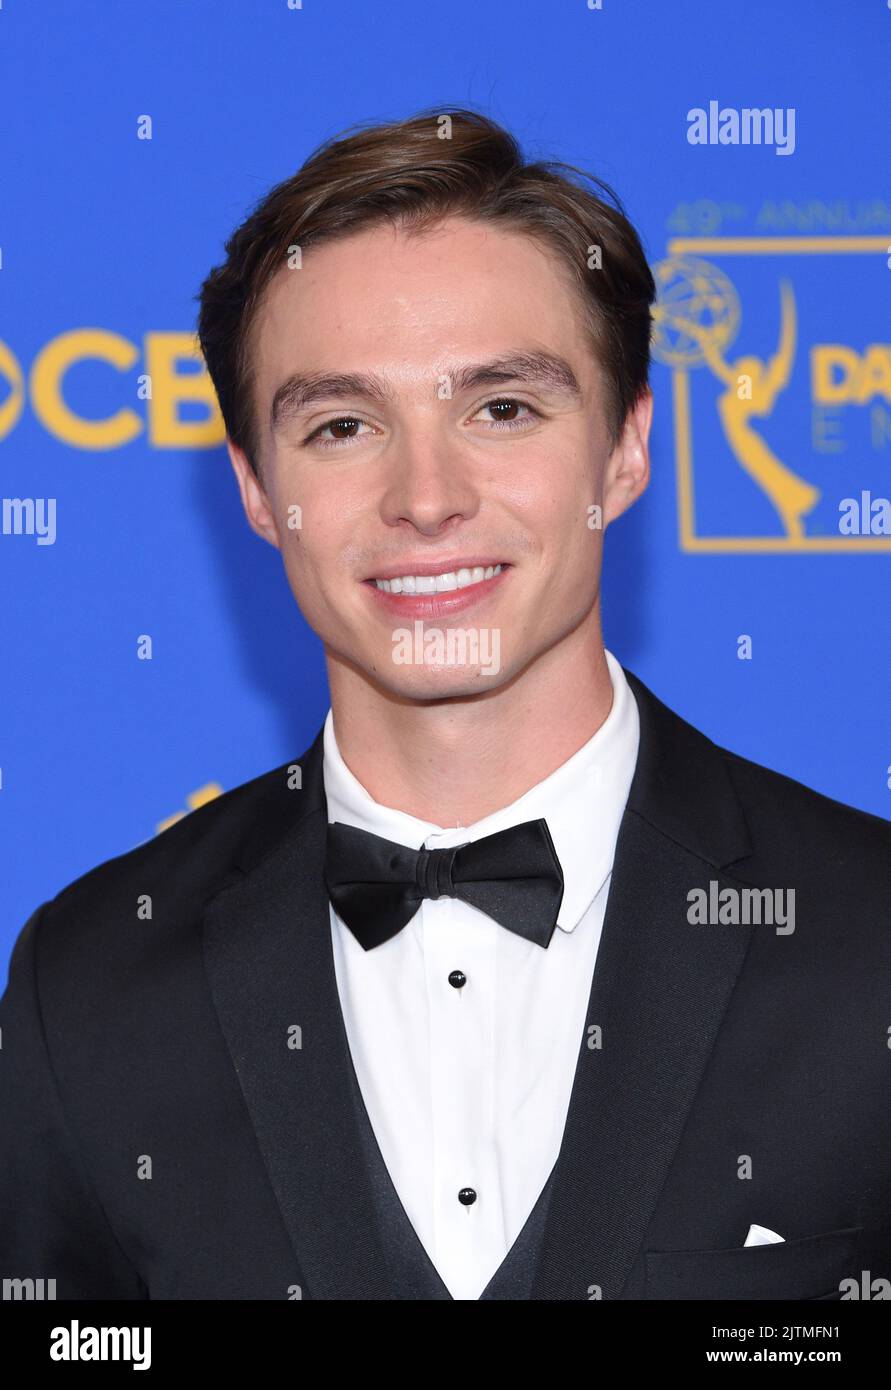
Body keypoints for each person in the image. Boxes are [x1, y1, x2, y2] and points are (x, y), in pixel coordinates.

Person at [2, 108, 889, 1303]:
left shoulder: (866, 937)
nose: (427, 496)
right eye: (344, 425)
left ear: (627, 448)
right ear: (258, 492)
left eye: (502, 408)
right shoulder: (90, 984)